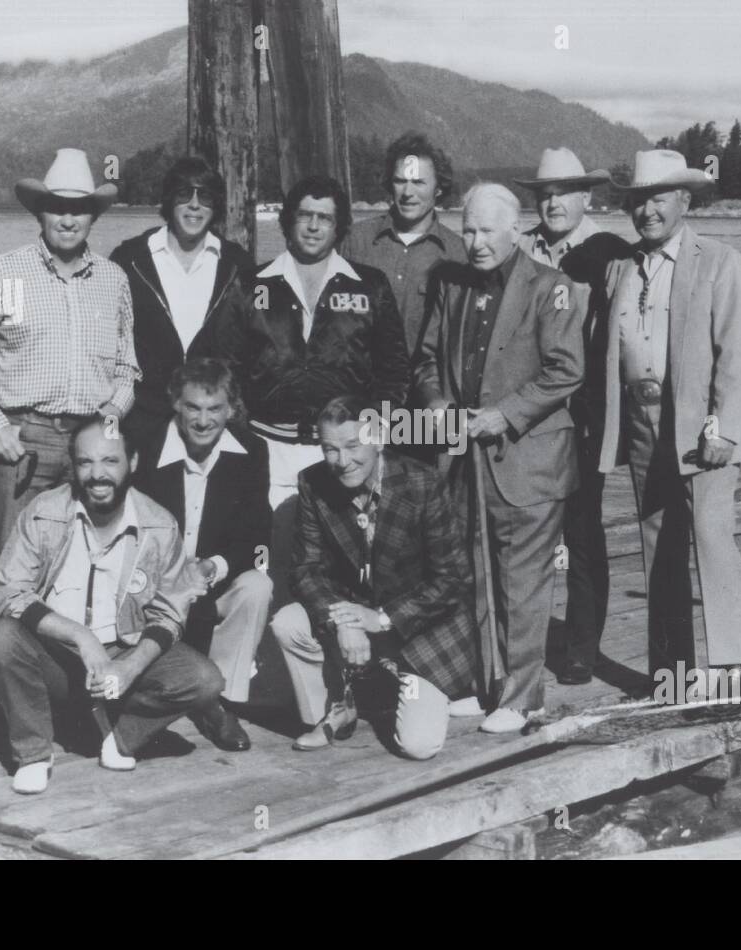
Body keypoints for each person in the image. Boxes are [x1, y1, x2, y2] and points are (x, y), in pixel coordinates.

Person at [413, 183, 584, 733]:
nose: (476, 241)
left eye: (488, 231)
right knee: (473, 575)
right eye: (468, 229)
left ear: (516, 230)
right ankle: (483, 684)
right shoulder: (452, 286)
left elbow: (565, 371)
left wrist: (505, 415)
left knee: (523, 582)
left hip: (527, 459)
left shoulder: (552, 288)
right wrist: (437, 405)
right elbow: (426, 361)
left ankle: (522, 696)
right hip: (464, 459)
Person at [0, 418, 227, 794]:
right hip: (55, 657)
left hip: (121, 658)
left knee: (205, 679)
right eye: (85, 462)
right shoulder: (44, 510)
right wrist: (80, 636)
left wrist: (129, 665)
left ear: (133, 462)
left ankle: (121, 738)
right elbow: (7, 590)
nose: (97, 474)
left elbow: (170, 616)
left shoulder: (160, 525)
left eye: (110, 461)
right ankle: (33, 754)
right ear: (73, 465)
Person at [598, 150, 741, 713]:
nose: (647, 210)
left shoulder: (719, 261)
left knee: (714, 546)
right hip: (645, 427)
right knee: (658, 554)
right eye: (639, 200)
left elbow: (738, 354)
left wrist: (724, 426)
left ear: (685, 202)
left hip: (702, 434)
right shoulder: (621, 268)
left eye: (659, 198)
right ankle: (672, 681)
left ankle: (739, 682)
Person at [198, 174, 409, 599]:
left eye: (325, 219)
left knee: (338, 564)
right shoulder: (252, 285)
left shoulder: (369, 287)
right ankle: (259, 660)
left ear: (339, 227)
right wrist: (240, 433)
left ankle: (331, 657)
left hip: (341, 453)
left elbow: (395, 372)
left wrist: (373, 438)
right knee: (262, 562)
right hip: (267, 450)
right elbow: (220, 365)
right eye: (305, 216)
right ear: (288, 221)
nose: (314, 227)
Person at [269, 396, 477, 758]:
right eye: (330, 449)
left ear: (378, 437)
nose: (342, 461)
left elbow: (452, 580)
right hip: (356, 615)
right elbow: (306, 569)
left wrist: (382, 619)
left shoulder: (423, 483)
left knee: (418, 745)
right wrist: (343, 620)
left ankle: (417, 686)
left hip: (419, 629)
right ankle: (337, 708)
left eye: (353, 446)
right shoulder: (312, 483)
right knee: (288, 623)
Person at [0, 148, 139, 560]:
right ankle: (2, 627)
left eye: (79, 210)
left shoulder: (114, 280)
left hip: (92, 442)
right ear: (40, 212)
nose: (69, 220)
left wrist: (110, 417)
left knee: (83, 560)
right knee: (13, 562)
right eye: (58, 209)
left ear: (94, 215)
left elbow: (127, 367)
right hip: (25, 441)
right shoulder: (4, 272)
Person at [514, 147, 620, 685]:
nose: (552, 203)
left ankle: (582, 646)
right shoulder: (519, 248)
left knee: (583, 530)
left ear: (587, 197)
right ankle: (520, 642)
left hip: (583, 413)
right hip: (528, 408)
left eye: (564, 193)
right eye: (545, 194)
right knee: (528, 527)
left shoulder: (613, 253)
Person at [132, 359, 272, 751]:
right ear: (176, 403)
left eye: (214, 409)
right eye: (193, 407)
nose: (203, 420)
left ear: (231, 410)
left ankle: (220, 702)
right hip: (155, 580)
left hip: (212, 578)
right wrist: (171, 571)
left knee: (257, 585)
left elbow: (259, 537)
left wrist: (214, 566)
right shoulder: (145, 444)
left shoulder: (251, 451)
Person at [109, 157, 256, 465]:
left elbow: (251, 345)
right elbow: (109, 341)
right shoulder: (130, 259)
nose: (194, 205)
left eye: (204, 196)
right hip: (144, 421)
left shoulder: (237, 264)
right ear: (168, 201)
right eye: (183, 194)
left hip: (210, 423)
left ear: (215, 205)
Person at [340, 132, 467, 355]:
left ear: (438, 188)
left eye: (418, 182)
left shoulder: (457, 253)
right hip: (360, 383)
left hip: (422, 385)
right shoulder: (354, 241)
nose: (408, 192)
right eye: (400, 181)